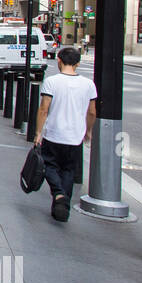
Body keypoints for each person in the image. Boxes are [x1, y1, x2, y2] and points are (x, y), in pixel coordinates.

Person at [33, 47, 98, 222]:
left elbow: (43, 109)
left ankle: (59, 194)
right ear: (77, 63)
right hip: (75, 136)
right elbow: (92, 112)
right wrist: (88, 130)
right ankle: (63, 204)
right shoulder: (88, 84)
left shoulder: (52, 81)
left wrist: (38, 132)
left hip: (54, 133)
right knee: (68, 170)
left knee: (50, 165)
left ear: (59, 60)